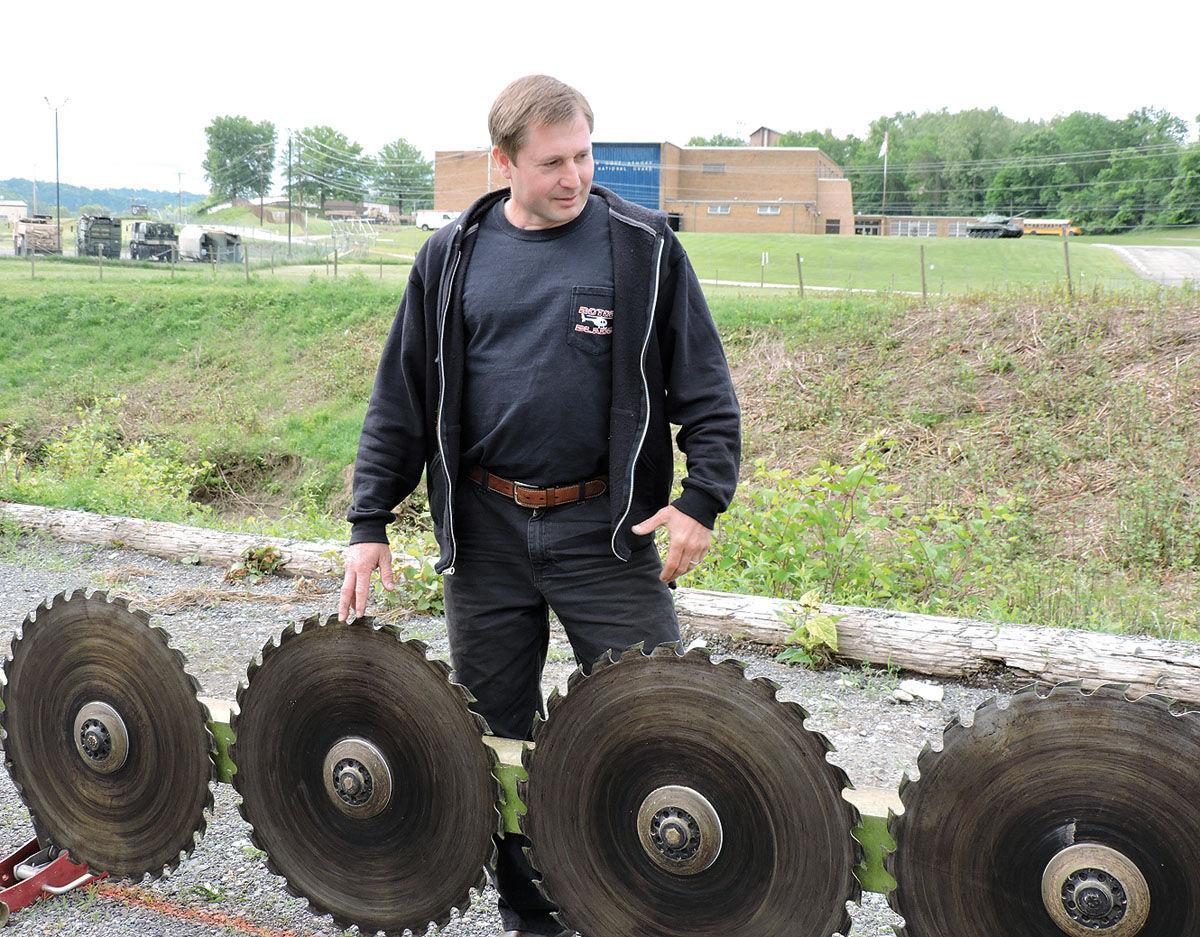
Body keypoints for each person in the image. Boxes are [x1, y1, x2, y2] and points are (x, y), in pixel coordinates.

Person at [339, 74, 740, 937]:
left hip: (607, 530)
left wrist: (703, 498)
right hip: (485, 534)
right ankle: (533, 914)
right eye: (553, 161)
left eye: (585, 155)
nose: (575, 176)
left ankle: (656, 907)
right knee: (495, 742)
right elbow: (401, 400)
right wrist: (369, 523)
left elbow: (706, 387)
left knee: (657, 722)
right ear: (504, 161)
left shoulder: (642, 247)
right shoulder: (451, 257)